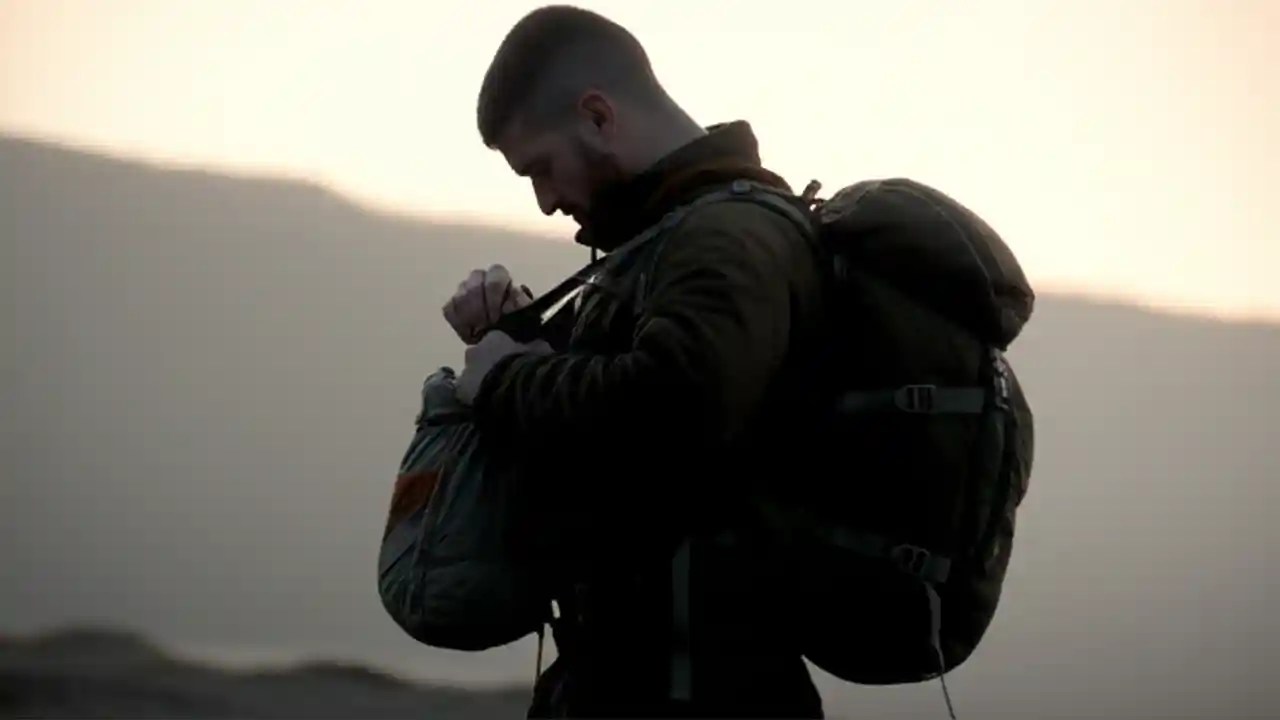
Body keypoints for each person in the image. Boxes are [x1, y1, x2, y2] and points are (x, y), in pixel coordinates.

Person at [444, 5, 832, 718]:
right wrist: (524, 339)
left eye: (541, 169)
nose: (546, 201)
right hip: (643, 681)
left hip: (700, 696)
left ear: (597, 117)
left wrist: (505, 377)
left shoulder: (726, 234)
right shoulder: (671, 236)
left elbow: (673, 404)